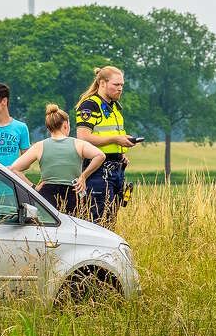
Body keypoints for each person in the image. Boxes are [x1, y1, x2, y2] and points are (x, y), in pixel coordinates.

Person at [9, 104, 106, 215]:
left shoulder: (39, 146)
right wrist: (83, 176)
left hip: (47, 195)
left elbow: (13, 169)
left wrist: (33, 187)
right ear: (65, 125)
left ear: (49, 127)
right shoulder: (78, 144)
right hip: (73, 194)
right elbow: (100, 155)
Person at [75, 66, 137, 226]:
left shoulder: (114, 106)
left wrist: (121, 153)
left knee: (111, 219)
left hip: (117, 168)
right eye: (116, 85)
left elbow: (109, 135)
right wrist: (116, 140)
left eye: (122, 85)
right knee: (97, 220)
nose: (120, 88)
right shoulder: (89, 105)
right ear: (102, 83)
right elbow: (83, 137)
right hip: (98, 170)